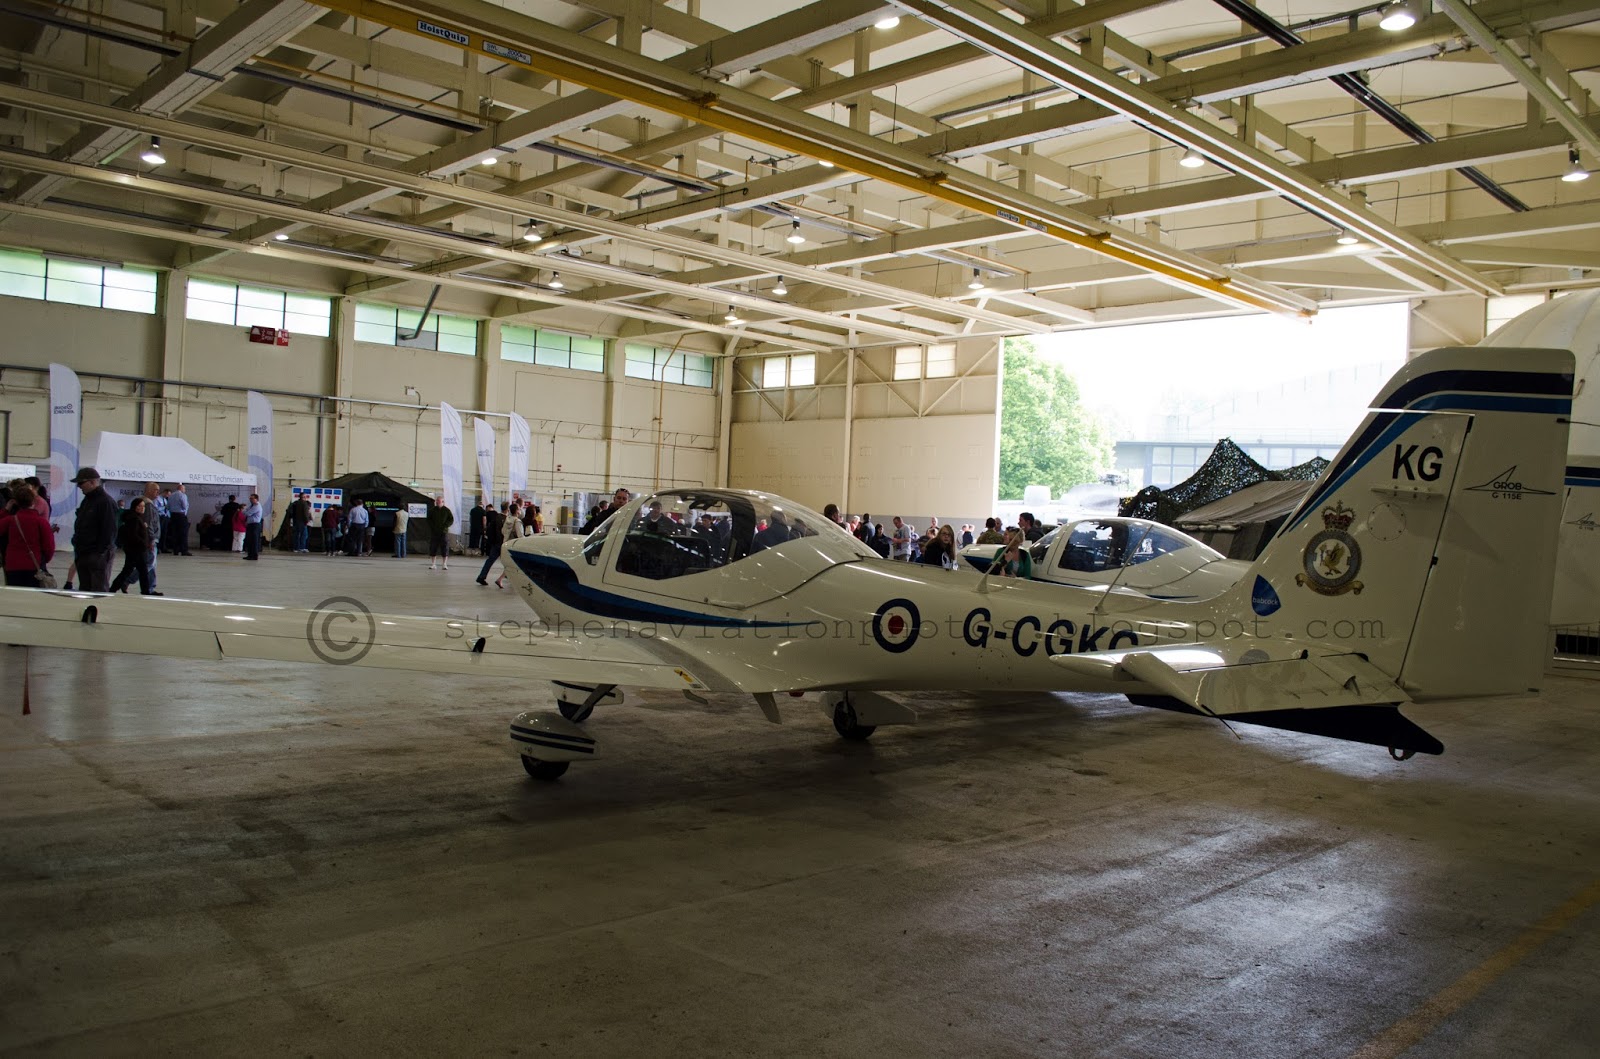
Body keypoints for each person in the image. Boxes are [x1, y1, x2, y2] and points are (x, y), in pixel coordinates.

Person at [70, 467, 118, 593]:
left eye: (81, 483)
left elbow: (109, 529)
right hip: (84, 552)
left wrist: (100, 552)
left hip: (96, 554)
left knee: (98, 589)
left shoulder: (105, 502)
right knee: (85, 589)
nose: (79, 487)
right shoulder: (88, 500)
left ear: (92, 482)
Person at [0, 482, 56, 587]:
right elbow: (49, 546)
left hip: (13, 564)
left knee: (15, 597)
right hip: (34, 564)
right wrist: (44, 560)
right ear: (33, 501)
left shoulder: (10, 520)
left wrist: (6, 510)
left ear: (15, 502)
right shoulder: (41, 522)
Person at [110, 497, 159, 595]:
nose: (142, 508)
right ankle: (145, 591)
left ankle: (113, 588)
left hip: (133, 549)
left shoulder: (134, 517)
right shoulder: (134, 519)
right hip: (137, 549)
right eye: (139, 506)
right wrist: (143, 543)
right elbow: (133, 535)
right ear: (134, 507)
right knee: (140, 571)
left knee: (130, 570)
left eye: (143, 506)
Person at [476, 501, 506, 584]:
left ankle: (482, 576)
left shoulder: (496, 517)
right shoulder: (507, 519)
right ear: (507, 509)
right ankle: (505, 576)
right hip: (503, 543)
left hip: (495, 543)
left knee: (490, 560)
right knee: (508, 561)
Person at [427, 496, 453, 570]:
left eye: (439, 501)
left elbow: (451, 519)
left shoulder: (447, 510)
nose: (437, 502)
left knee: (445, 547)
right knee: (433, 547)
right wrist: (432, 526)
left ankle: (444, 564)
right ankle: (433, 564)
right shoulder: (432, 510)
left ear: (442, 502)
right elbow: (428, 519)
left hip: (443, 532)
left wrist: (445, 526)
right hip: (434, 532)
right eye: (436, 501)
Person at [168, 483, 192, 555]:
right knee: (183, 533)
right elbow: (184, 506)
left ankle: (175, 550)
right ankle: (184, 550)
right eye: (184, 489)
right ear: (181, 489)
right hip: (181, 515)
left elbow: (167, 506)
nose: (185, 490)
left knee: (175, 533)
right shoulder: (182, 495)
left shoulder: (171, 495)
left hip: (173, 515)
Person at [243, 492, 263, 560]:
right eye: (250, 498)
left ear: (256, 499)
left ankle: (254, 555)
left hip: (255, 525)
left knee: (254, 541)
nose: (250, 500)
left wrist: (245, 512)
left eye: (252, 498)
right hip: (250, 525)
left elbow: (248, 513)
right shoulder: (252, 506)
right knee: (249, 540)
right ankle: (250, 554)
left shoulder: (257, 506)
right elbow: (245, 511)